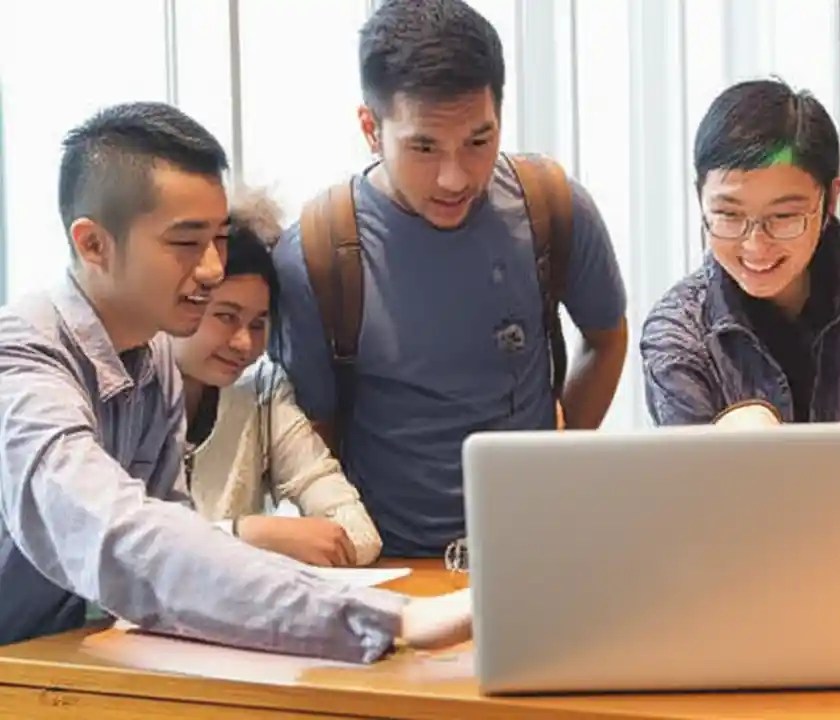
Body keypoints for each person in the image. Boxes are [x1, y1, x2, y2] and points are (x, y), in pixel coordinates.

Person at [0, 101, 468, 660]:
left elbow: (178, 551)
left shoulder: (154, 359)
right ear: (93, 244)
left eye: (219, 239)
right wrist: (385, 616)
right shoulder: (20, 363)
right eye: (185, 243)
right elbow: (118, 535)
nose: (212, 269)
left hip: (55, 665)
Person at [271, 0, 628, 557]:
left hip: (535, 547)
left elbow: (607, 337)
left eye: (478, 142)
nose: (454, 178)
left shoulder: (551, 205)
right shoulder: (317, 253)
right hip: (388, 562)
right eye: (423, 147)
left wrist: (558, 463)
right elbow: (312, 434)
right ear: (371, 129)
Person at [640, 79, 840, 551]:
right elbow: (702, 521)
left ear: (830, 200)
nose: (755, 245)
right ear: (700, 200)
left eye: (784, 217)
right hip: (740, 586)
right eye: (728, 215)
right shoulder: (678, 332)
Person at [172, 191, 382, 567]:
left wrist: (265, 541)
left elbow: (359, 534)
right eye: (225, 316)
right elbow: (130, 552)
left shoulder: (261, 390)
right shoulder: (123, 399)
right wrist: (246, 535)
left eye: (258, 323)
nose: (244, 342)